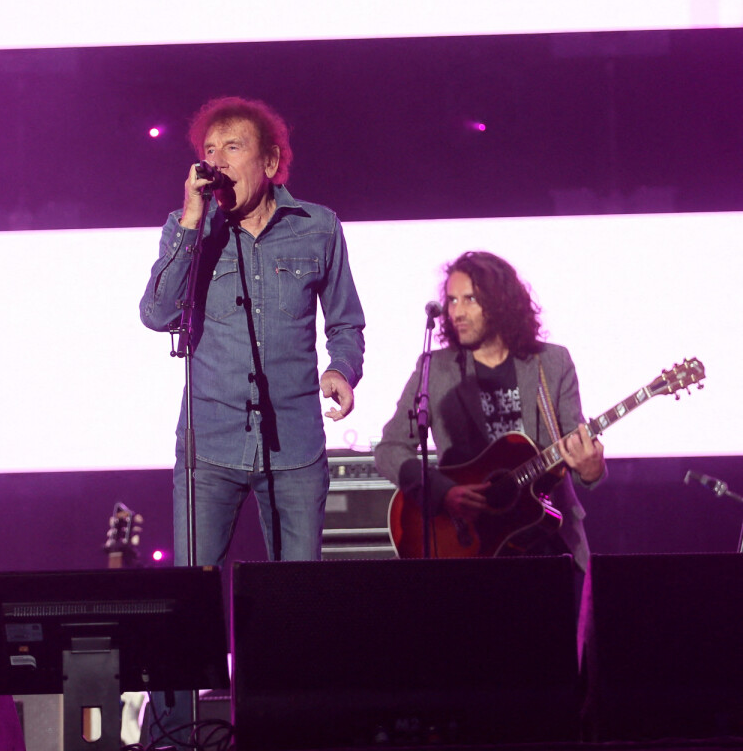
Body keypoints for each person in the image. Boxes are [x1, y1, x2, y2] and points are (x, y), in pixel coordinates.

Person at [140, 96, 366, 568]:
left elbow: (345, 321)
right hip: (210, 448)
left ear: (270, 161)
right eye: (209, 149)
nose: (216, 161)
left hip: (295, 450)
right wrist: (190, 222)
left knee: (297, 605)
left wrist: (341, 370)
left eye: (232, 147)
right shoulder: (186, 230)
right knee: (193, 599)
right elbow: (158, 315)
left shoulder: (318, 228)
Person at [373, 251, 605, 573]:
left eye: (469, 299)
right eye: (452, 300)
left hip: (545, 542)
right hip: (469, 543)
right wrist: (444, 492)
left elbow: (575, 446)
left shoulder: (551, 363)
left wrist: (591, 469)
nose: (457, 312)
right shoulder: (437, 369)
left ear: (501, 302)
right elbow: (390, 449)